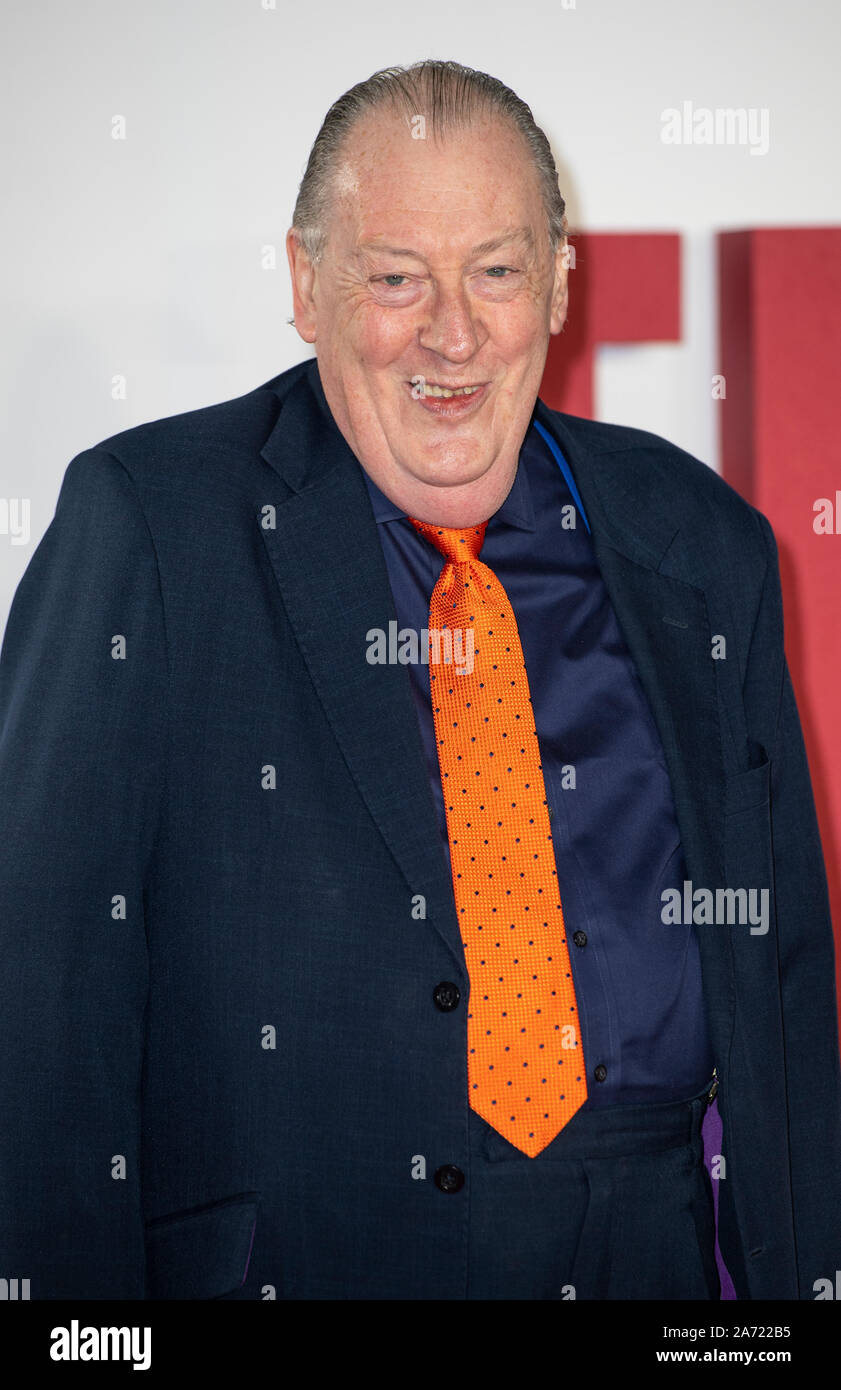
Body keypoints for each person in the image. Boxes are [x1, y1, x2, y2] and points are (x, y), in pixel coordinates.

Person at [1, 58, 839, 1301]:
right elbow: (38, 1007)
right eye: (395, 278)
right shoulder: (156, 526)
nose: (451, 332)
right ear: (304, 283)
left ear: (559, 279)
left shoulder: (701, 541)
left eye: (496, 270)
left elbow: (779, 986)